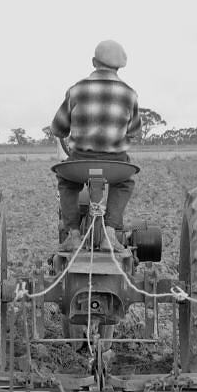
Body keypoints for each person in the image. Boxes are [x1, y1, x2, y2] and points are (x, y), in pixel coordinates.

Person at [50, 39, 142, 250]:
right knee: (125, 182)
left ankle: (73, 234)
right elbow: (134, 131)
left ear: (94, 62)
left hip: (81, 161)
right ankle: (109, 232)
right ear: (119, 67)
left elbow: (58, 129)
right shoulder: (130, 94)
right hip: (115, 164)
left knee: (66, 182)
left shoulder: (76, 90)